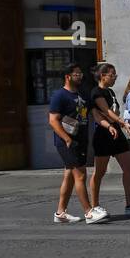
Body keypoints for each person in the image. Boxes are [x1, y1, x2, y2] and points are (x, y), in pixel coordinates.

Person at [47, 63, 108, 225]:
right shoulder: (59, 96)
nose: (80, 76)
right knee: (80, 174)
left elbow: (93, 113)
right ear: (67, 77)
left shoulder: (82, 94)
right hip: (66, 142)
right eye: (76, 74)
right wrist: (67, 139)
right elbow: (53, 121)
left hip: (80, 140)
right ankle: (88, 212)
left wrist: (110, 124)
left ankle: (60, 213)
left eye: (81, 73)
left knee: (69, 175)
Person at [89, 63, 130, 218]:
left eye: (115, 74)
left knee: (128, 168)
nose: (115, 77)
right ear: (103, 76)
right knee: (100, 172)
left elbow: (113, 111)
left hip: (117, 133)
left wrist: (122, 125)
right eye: (112, 74)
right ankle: (94, 206)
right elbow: (106, 111)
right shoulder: (96, 92)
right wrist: (123, 123)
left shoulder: (110, 92)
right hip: (103, 135)